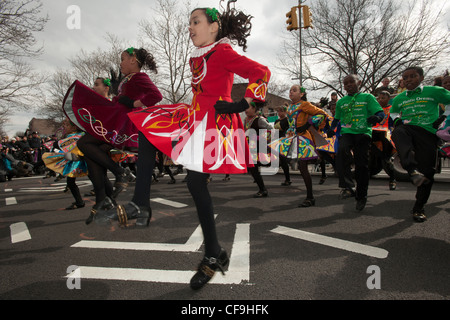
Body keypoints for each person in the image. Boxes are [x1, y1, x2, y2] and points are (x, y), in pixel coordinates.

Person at [97, 1, 270, 290]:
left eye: (196, 21)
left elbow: (261, 72)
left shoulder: (223, 52)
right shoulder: (200, 55)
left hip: (215, 124)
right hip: (194, 118)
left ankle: (213, 253)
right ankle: (144, 204)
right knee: (148, 125)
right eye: (189, 22)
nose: (189, 27)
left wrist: (242, 103)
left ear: (214, 27)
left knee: (195, 183)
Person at [72, 66, 162, 224]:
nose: (93, 87)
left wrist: (133, 102)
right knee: (94, 161)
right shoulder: (123, 85)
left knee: (85, 145)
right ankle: (103, 199)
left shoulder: (138, 77)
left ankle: (119, 176)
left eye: (96, 84)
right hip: (116, 123)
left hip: (120, 124)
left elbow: (155, 95)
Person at [390, 66, 450, 222]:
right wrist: (397, 120)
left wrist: (444, 116)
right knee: (397, 131)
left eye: (413, 76)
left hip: (428, 133)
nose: (408, 79)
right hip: (408, 129)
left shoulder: (434, 91)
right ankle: (411, 169)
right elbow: (394, 112)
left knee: (428, 173)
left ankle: (419, 208)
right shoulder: (399, 98)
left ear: (422, 78)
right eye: (405, 77)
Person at [328, 74, 384, 211]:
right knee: (341, 152)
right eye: (345, 83)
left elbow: (381, 113)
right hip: (347, 133)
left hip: (363, 133)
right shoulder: (341, 102)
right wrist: (331, 129)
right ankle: (348, 186)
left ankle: (361, 195)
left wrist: (376, 117)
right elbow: (336, 119)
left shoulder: (367, 98)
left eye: (351, 82)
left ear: (358, 82)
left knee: (361, 166)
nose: (348, 85)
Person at [277, 85, 328, 207]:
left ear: (301, 94)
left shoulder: (305, 105)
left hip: (303, 138)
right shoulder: (290, 107)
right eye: (290, 90)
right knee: (297, 164)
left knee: (302, 166)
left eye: (294, 90)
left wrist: (308, 124)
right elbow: (290, 122)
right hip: (291, 137)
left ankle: (310, 197)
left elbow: (321, 114)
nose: (291, 92)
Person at [42, 118, 88, 210]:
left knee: (98, 179)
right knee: (71, 182)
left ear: (74, 127)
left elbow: (60, 145)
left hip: (82, 161)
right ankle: (80, 202)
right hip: (77, 161)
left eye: (66, 125)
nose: (64, 127)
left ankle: (108, 198)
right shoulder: (76, 135)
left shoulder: (76, 136)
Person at [244, 101, 273, 197]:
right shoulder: (246, 119)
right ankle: (262, 189)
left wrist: (259, 137)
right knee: (252, 169)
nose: (245, 110)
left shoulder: (259, 119)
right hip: (249, 147)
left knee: (253, 169)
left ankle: (263, 190)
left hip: (258, 148)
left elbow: (271, 130)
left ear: (254, 109)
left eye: (247, 108)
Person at [372, 91, 396, 190]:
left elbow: (394, 122)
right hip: (375, 131)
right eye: (379, 98)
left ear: (388, 99)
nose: (380, 100)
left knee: (386, 159)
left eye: (383, 98)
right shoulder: (375, 110)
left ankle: (392, 179)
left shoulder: (392, 109)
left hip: (387, 133)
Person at [274, 104, 291, 185]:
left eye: (281, 111)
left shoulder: (287, 120)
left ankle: (288, 179)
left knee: (283, 160)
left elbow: (288, 131)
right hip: (277, 141)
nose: (279, 113)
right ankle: (287, 179)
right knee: (281, 160)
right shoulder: (277, 121)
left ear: (285, 112)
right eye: (278, 111)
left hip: (284, 141)